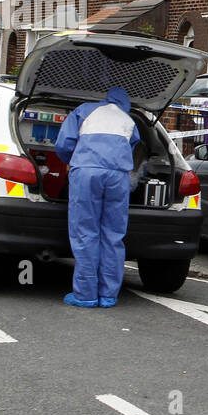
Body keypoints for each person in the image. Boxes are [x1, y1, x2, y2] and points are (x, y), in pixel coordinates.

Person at [54, 87, 141, 308]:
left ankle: (85, 294)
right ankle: (109, 294)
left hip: (86, 172)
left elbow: (64, 144)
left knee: (85, 231)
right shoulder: (129, 120)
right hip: (118, 176)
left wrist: (71, 160)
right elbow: (133, 148)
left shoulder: (84, 111)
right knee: (113, 234)